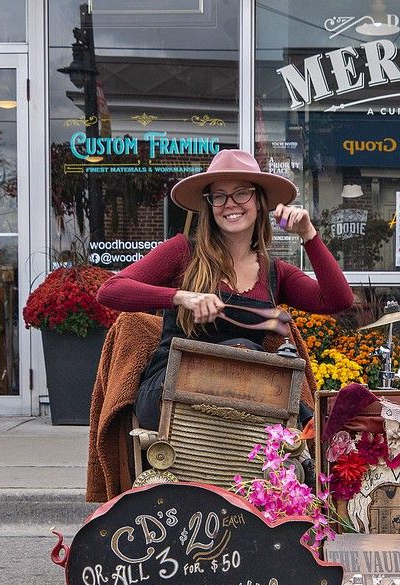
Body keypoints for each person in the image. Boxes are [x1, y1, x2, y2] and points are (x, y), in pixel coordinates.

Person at [97, 149, 353, 430]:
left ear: (259, 201)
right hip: (169, 390)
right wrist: (182, 297)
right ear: (209, 206)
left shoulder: (275, 272)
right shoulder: (182, 251)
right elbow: (110, 290)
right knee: (243, 352)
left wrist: (308, 234)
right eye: (219, 196)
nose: (230, 204)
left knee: (293, 409)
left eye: (241, 193)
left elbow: (338, 299)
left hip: (246, 399)